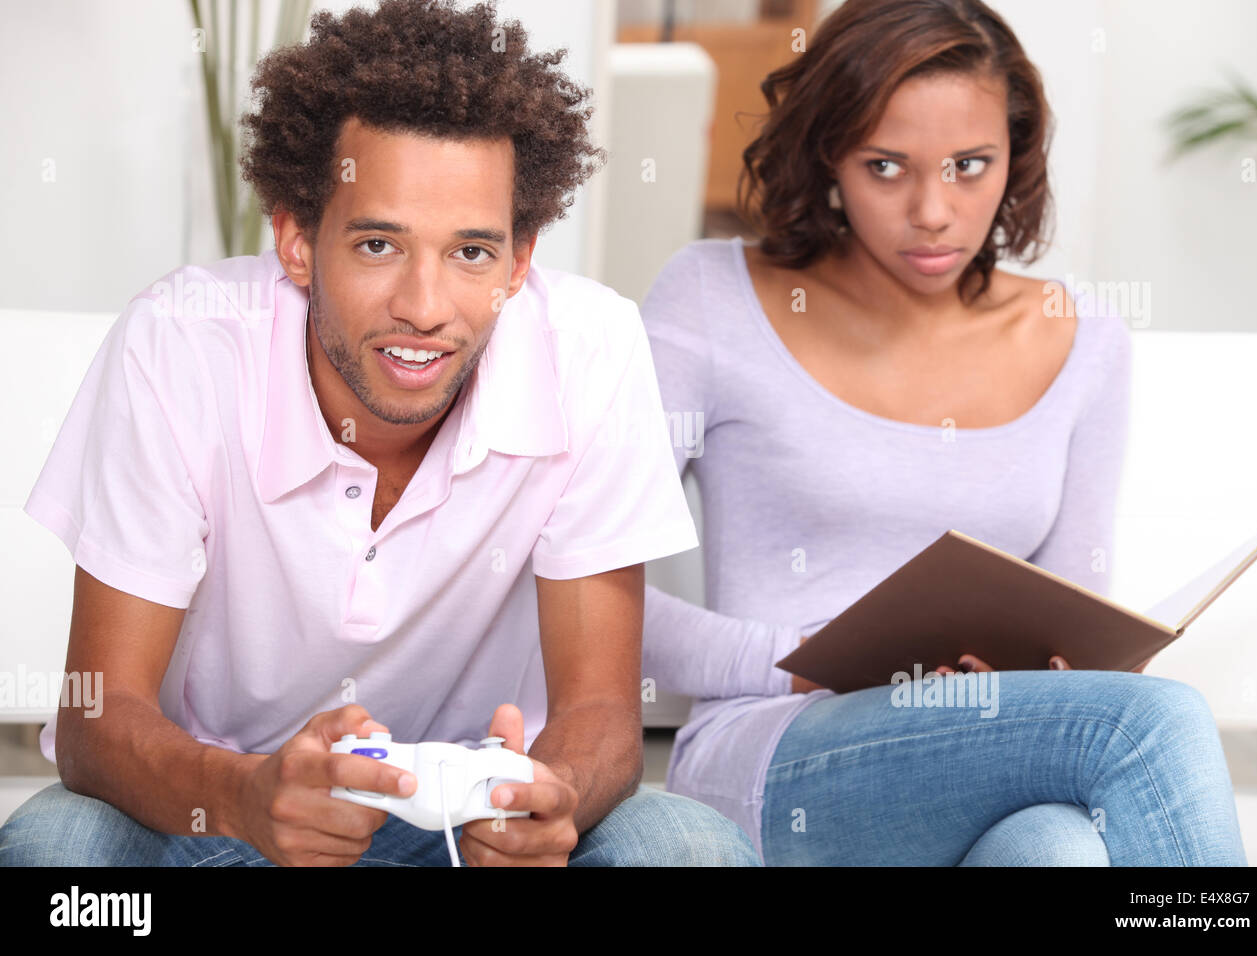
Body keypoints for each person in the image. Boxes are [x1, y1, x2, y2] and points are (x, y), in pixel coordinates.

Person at [0, 0, 758, 867]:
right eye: (376, 245)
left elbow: (602, 719)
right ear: (294, 240)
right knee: (55, 849)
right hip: (228, 815)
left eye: (471, 253)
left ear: (518, 261)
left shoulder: (589, 346)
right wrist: (246, 798)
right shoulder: (179, 344)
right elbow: (98, 720)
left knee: (688, 848)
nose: (425, 309)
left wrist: (545, 803)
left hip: (471, 823)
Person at [640, 0, 1248, 866]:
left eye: (971, 165)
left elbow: (1077, 611)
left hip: (985, 748)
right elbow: (589, 591)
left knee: (1059, 853)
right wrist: (803, 661)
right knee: (1151, 724)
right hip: (775, 748)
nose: (933, 210)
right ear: (828, 157)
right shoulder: (711, 298)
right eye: (886, 166)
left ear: (1017, 154)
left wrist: (1056, 675)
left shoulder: (1084, 339)